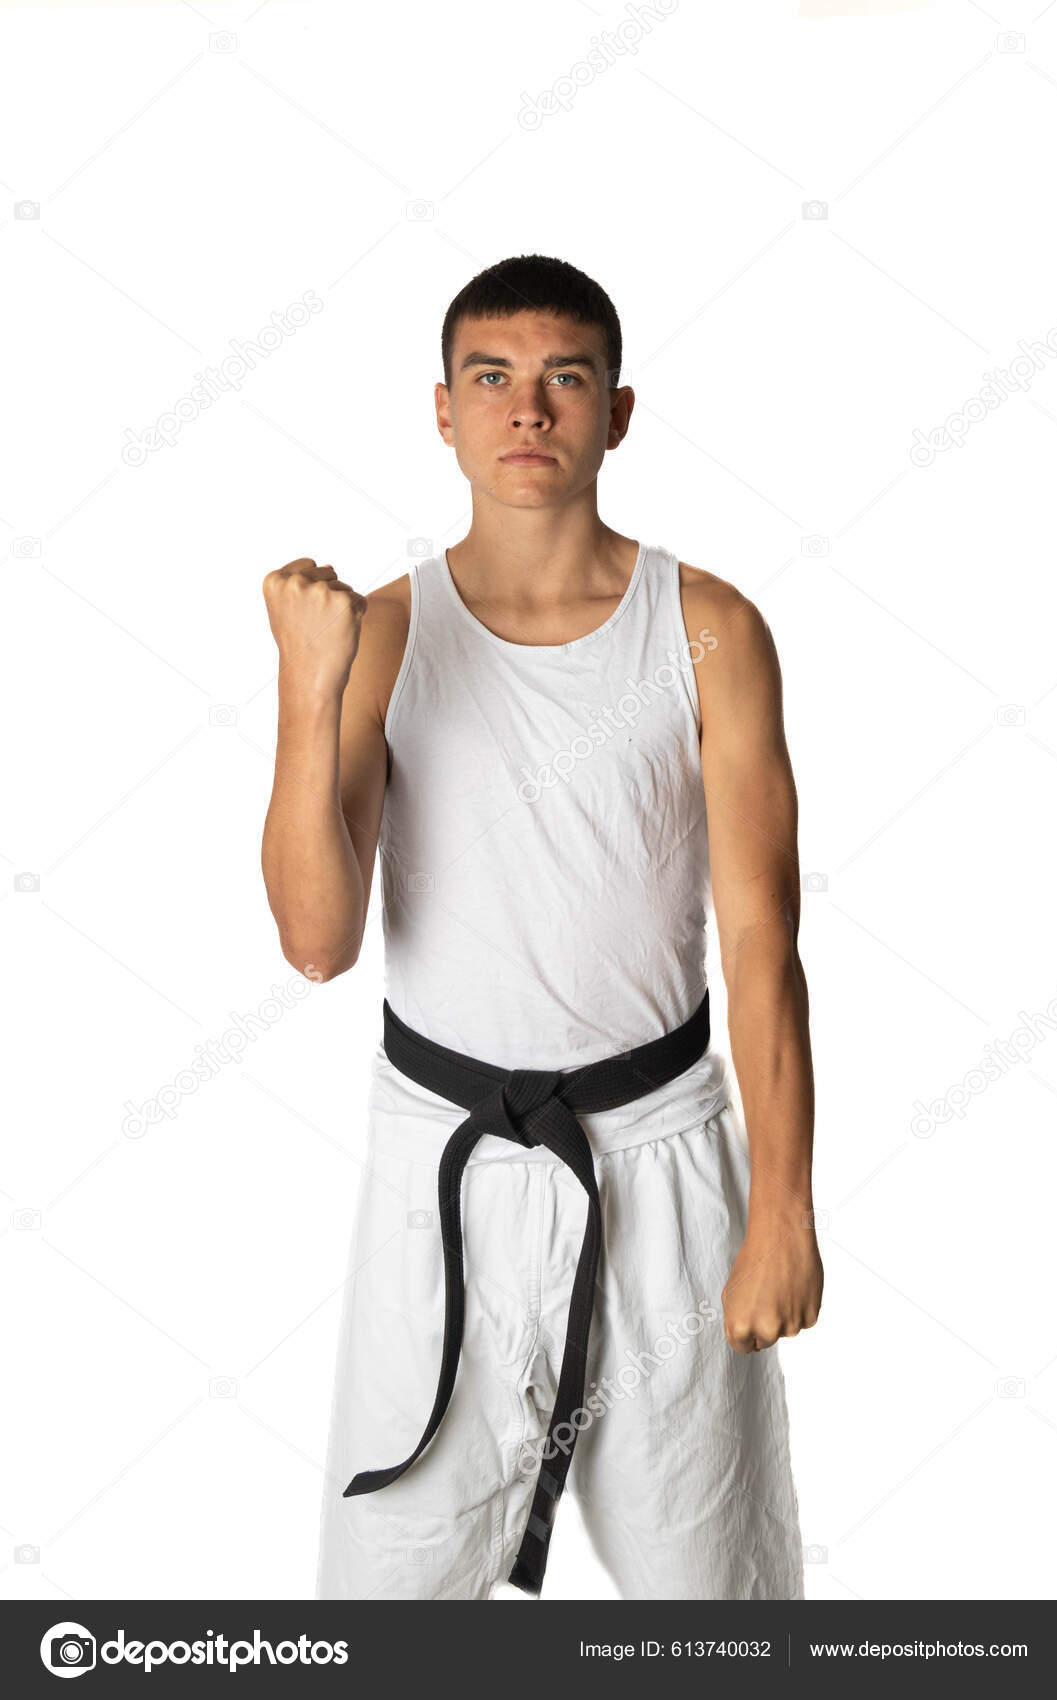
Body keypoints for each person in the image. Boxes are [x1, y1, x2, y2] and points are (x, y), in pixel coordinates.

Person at [260, 253, 822, 1602]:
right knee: (389, 1601)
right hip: (440, 1169)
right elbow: (317, 940)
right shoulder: (382, 637)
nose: (528, 411)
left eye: (564, 380)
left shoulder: (709, 630)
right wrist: (305, 694)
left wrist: (785, 1210)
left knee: (720, 1606)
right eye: (493, 380)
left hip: (663, 1163)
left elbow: (760, 940)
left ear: (615, 413)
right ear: (442, 412)